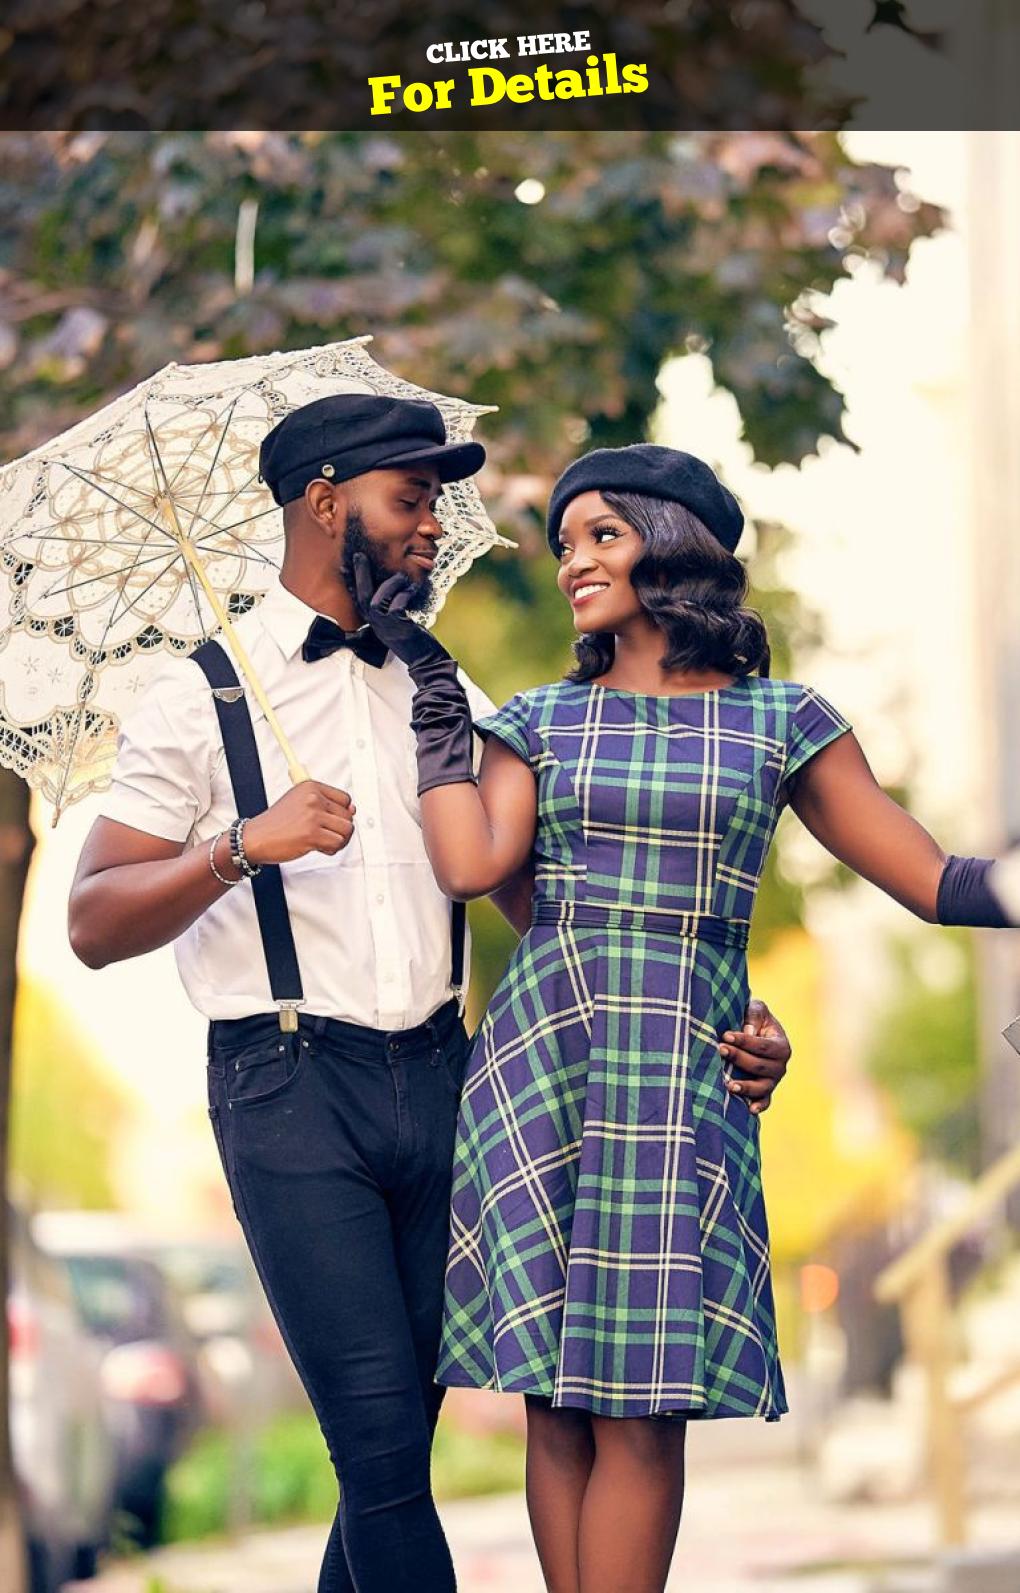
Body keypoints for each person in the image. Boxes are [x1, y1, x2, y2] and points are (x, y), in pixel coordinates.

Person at [66, 401, 791, 1593]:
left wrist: (721, 1014)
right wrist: (245, 844)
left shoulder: (445, 690)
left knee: (394, 1449)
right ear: (325, 500)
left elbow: (543, 901)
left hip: (450, 1084)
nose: (432, 528)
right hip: (290, 1087)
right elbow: (93, 920)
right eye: (411, 500)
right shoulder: (199, 696)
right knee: (387, 1455)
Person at [356, 442, 1018, 1593]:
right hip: (541, 1061)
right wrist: (434, 719)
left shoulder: (783, 720)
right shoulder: (539, 722)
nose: (573, 563)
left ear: (674, 543)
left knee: (643, 1406)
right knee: (554, 1403)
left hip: (680, 1069)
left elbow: (938, 882)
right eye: (564, 543)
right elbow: (472, 867)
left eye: (600, 535)